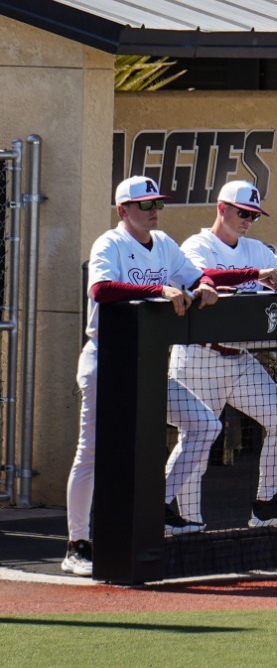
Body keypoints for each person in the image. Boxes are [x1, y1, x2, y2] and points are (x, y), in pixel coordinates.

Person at [63, 177, 220, 575]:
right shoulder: (109, 243)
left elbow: (197, 275)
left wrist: (204, 285)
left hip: (151, 363)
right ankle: (77, 543)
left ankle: (158, 509)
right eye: (145, 203)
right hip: (107, 360)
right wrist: (158, 290)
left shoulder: (165, 243)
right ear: (123, 210)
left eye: (157, 203)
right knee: (92, 452)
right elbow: (101, 289)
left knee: (204, 424)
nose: (153, 210)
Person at [170, 180, 277, 530]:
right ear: (222, 208)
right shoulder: (197, 244)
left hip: (239, 359)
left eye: (254, 214)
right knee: (196, 443)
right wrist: (252, 275)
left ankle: (264, 505)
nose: (248, 220)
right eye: (242, 213)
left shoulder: (254, 248)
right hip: (198, 357)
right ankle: (185, 522)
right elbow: (200, 278)